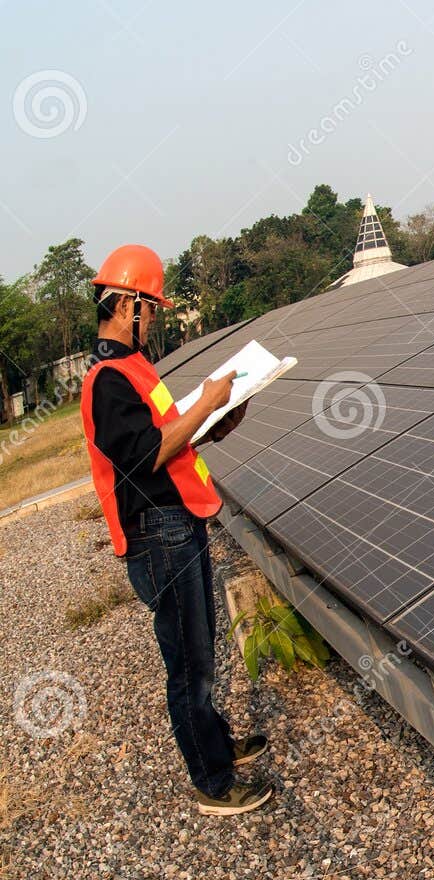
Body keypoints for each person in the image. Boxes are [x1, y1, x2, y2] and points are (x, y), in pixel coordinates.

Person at [80, 244, 273, 817]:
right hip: (158, 534)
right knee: (189, 663)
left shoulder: (134, 369)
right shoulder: (106, 380)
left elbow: (170, 443)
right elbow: (145, 458)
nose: (156, 317)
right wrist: (205, 402)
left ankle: (215, 743)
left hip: (177, 523)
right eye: (151, 307)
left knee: (200, 651)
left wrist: (215, 422)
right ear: (125, 304)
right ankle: (212, 781)